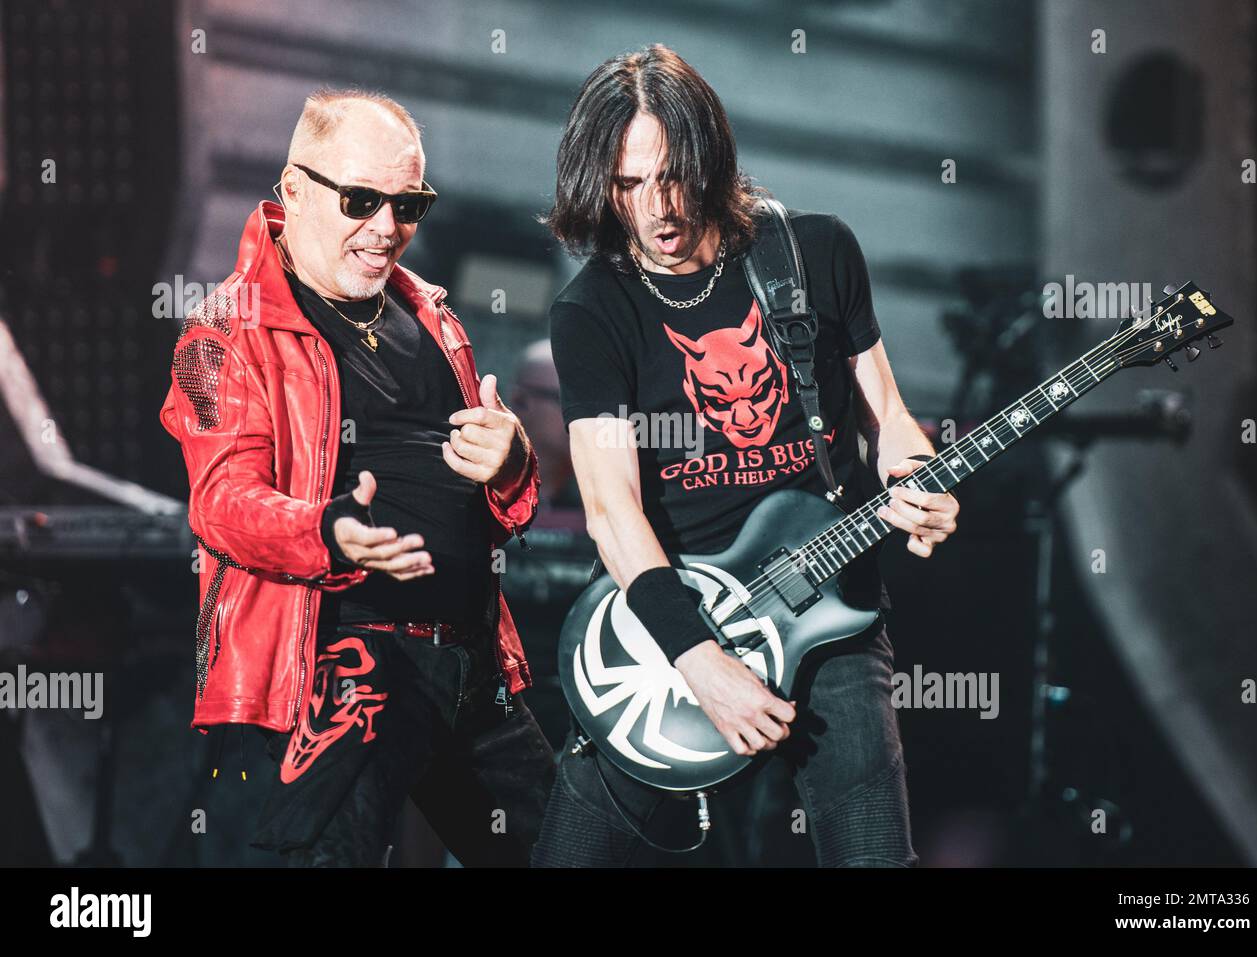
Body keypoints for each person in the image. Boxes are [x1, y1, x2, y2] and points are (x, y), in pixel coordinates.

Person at [533, 45, 959, 867]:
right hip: (673, 625)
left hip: (830, 607)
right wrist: (701, 663)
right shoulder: (592, 310)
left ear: (710, 160)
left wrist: (919, 480)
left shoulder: (814, 253)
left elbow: (893, 424)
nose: (654, 207)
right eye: (626, 185)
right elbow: (612, 512)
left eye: (671, 177)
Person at [159, 88, 554, 867]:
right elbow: (220, 501)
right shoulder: (226, 326)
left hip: (468, 661)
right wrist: (326, 532)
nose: (386, 228)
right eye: (361, 199)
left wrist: (510, 462)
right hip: (340, 668)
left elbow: (500, 505)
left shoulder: (434, 316)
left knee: (569, 854)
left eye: (409, 204)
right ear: (295, 189)